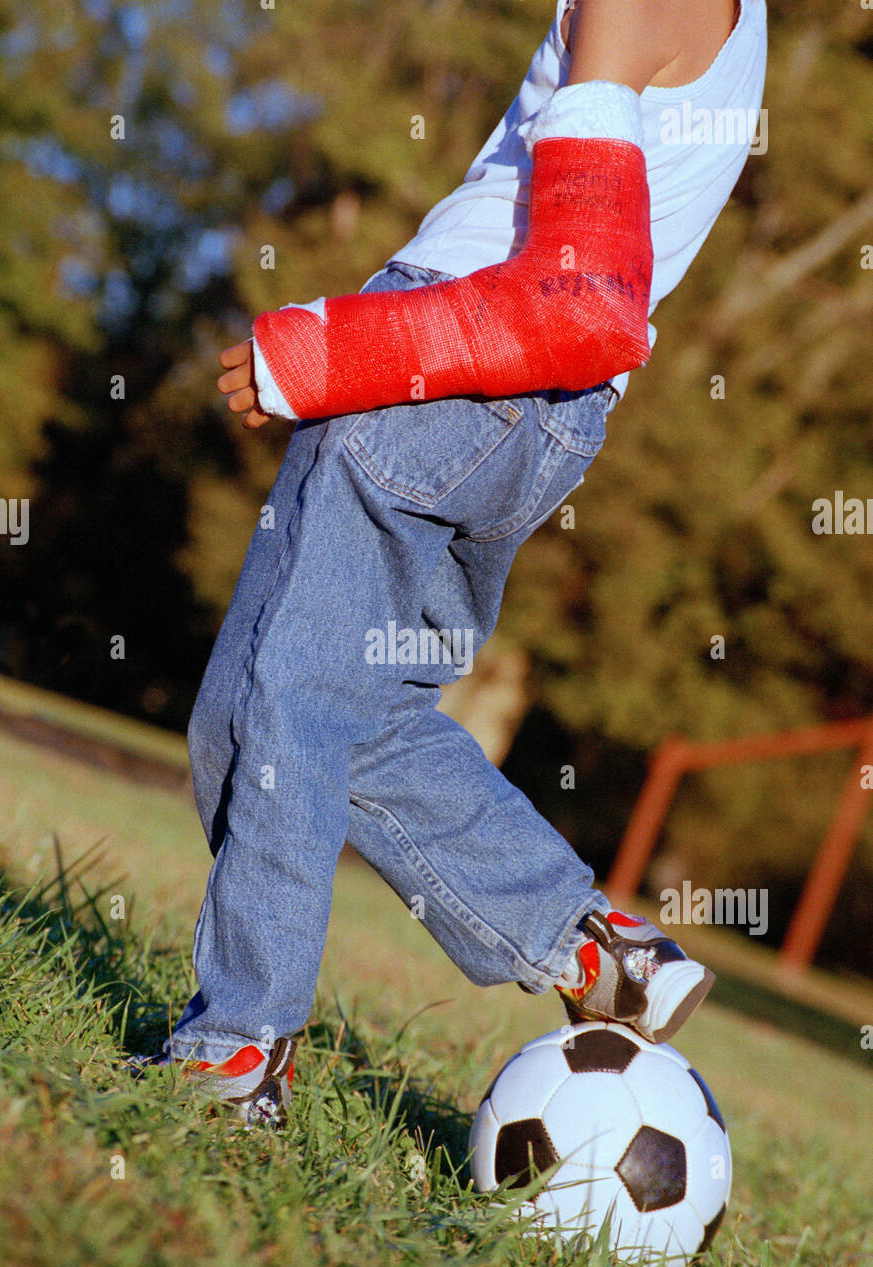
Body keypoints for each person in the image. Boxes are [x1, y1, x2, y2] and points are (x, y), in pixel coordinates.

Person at [140, 0, 767, 1127]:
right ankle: (589, 946)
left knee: (268, 705)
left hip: (453, 372)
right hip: (544, 429)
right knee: (361, 710)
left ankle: (233, 1052)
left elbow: (578, 301)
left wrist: (334, 353)